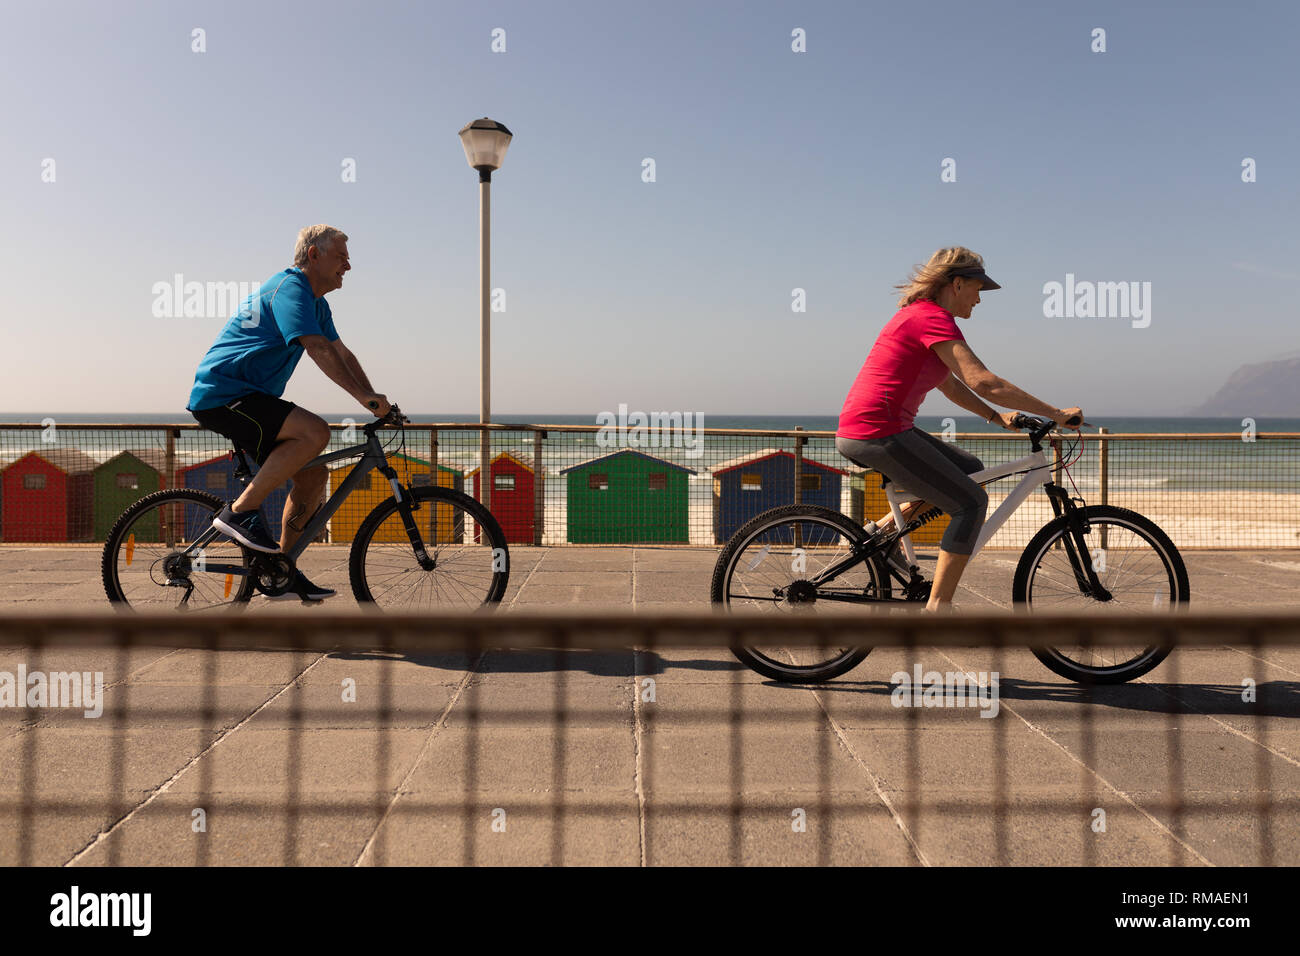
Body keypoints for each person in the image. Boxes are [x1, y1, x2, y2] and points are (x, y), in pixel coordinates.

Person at [835, 246, 1082, 612]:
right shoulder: (931, 318)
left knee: (970, 470)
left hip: (881, 427)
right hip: (877, 432)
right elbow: (983, 382)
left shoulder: (920, 317)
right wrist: (1057, 413)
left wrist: (998, 418)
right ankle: (939, 608)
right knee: (970, 502)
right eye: (978, 289)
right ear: (956, 284)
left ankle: (881, 535)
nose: (979, 300)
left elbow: (950, 385)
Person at [186, 225, 392, 600]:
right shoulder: (289, 289)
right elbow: (316, 348)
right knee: (315, 432)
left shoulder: (317, 304)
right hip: (224, 393)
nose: (348, 264)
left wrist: (374, 396)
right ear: (314, 255)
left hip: (250, 398)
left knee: (313, 478)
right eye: (341, 256)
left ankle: (280, 571)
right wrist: (364, 399)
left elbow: (342, 354)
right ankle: (240, 512)